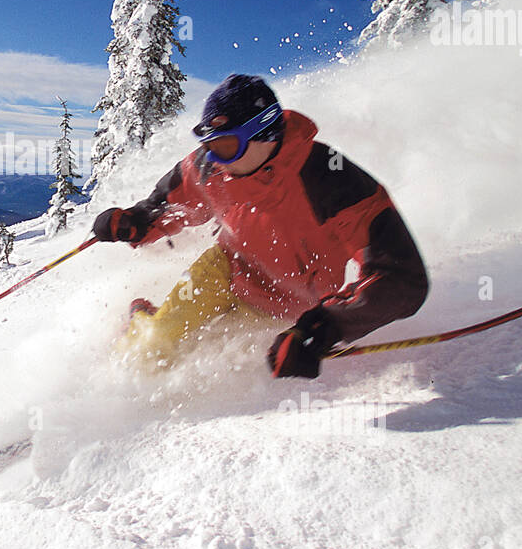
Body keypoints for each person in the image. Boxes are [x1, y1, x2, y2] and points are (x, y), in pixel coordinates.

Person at [93, 73, 429, 378]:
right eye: (208, 145)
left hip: (289, 307)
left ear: (266, 134)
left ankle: (160, 318)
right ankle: (143, 318)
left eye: (226, 145)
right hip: (225, 269)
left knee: (203, 362)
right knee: (154, 351)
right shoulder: (211, 166)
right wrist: (134, 222)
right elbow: (167, 203)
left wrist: (324, 326)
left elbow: (401, 278)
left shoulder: (332, 180)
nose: (214, 158)